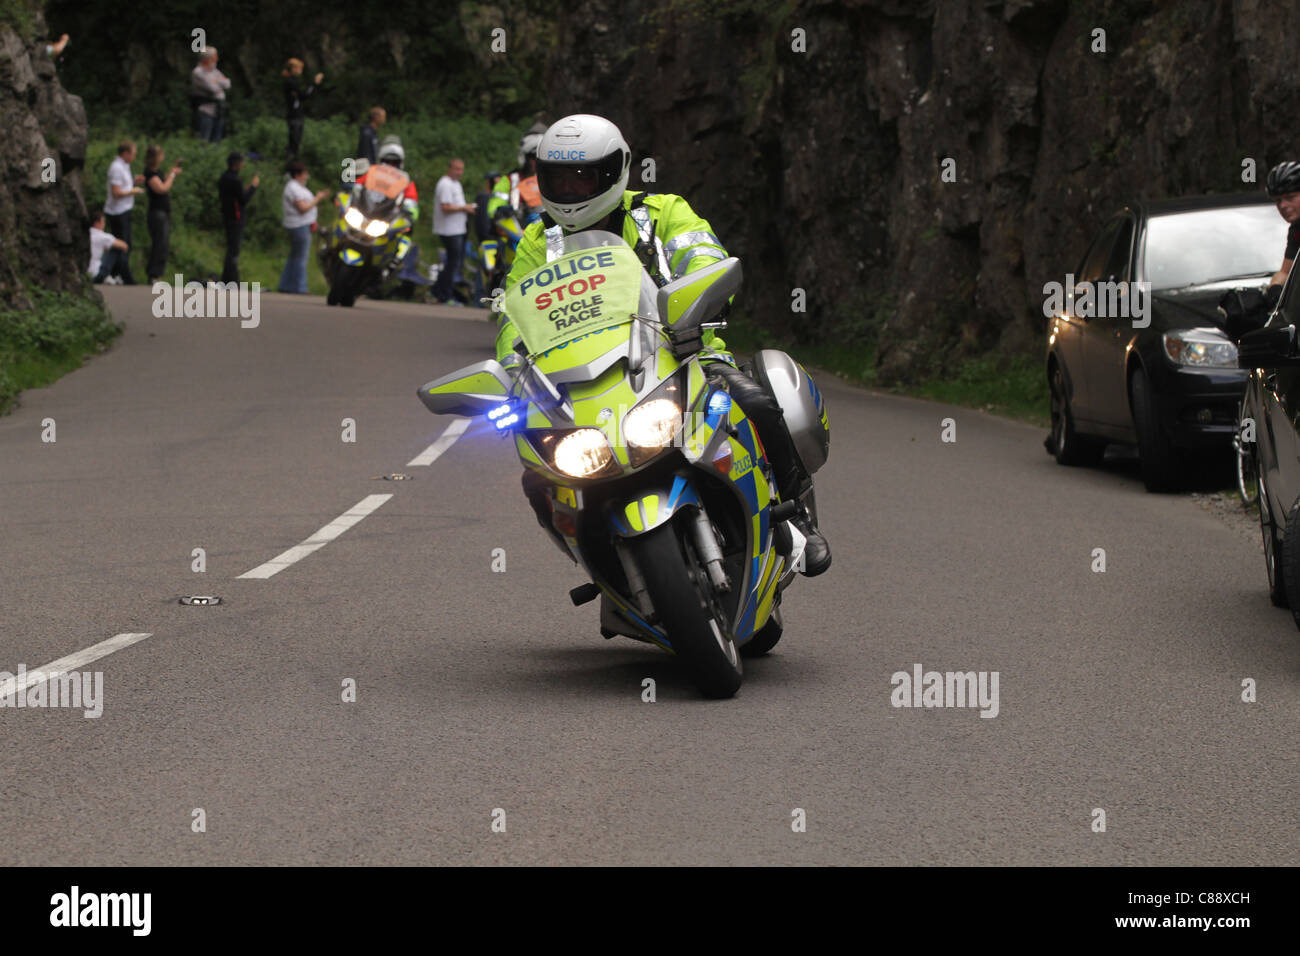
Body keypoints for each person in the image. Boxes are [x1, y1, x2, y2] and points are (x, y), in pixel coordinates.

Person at [499, 114, 831, 575]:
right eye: (560, 179)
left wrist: (703, 294)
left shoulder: (662, 212)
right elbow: (514, 314)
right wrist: (513, 366)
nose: (571, 191)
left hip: (684, 353)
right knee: (537, 468)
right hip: (587, 380)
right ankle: (601, 560)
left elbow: (705, 255)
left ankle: (797, 516)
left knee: (754, 400)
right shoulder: (540, 242)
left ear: (615, 172)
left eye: (584, 178)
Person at [279, 161, 330, 294]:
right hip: (298, 225)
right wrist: (318, 198)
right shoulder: (293, 188)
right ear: (297, 175)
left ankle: (286, 285)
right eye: (305, 174)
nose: (307, 176)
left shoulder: (297, 187)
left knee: (294, 256)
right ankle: (299, 287)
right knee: (301, 257)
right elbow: (302, 208)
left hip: (300, 225)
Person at [432, 158, 476, 305]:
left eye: (461, 169)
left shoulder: (455, 184)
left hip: (458, 228)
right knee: (453, 264)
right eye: (456, 169)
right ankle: (445, 295)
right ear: (449, 168)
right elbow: (445, 207)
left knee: (453, 263)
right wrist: (465, 208)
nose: (459, 172)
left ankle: (438, 291)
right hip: (449, 230)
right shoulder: (445, 184)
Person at [103, 141, 144, 284]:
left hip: (124, 209)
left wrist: (133, 182)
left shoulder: (124, 167)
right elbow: (116, 192)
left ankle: (116, 273)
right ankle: (121, 275)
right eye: (133, 153)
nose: (134, 156)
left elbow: (122, 185)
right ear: (125, 153)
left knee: (126, 243)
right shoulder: (116, 168)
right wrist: (133, 191)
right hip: (117, 211)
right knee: (122, 244)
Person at [142, 144, 181, 283]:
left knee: (163, 243)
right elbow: (162, 188)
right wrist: (172, 175)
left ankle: (157, 272)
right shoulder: (150, 174)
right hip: (157, 213)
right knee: (160, 243)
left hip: (163, 212)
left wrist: (171, 171)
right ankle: (153, 273)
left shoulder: (156, 172)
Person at [219, 151, 259, 282]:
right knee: (234, 250)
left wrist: (244, 189)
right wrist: (253, 187)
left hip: (227, 214)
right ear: (238, 164)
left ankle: (227, 278)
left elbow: (235, 195)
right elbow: (243, 199)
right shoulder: (235, 180)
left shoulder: (224, 177)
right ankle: (231, 280)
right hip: (236, 217)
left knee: (230, 248)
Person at [1266, 161, 1300, 296]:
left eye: (1290, 197)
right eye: (1278, 200)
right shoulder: (1296, 230)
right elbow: (1285, 272)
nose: (1283, 205)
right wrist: (1274, 290)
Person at [283, 58, 323, 160]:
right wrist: (314, 83)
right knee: (295, 141)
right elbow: (303, 96)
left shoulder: (292, 81)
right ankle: (291, 164)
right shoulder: (290, 82)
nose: (301, 70)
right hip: (294, 116)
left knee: (295, 141)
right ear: (293, 69)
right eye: (299, 68)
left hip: (296, 115)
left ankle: (292, 162)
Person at [191, 47, 231, 143]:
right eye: (214, 57)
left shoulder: (214, 71)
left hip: (218, 110)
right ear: (207, 59)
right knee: (204, 139)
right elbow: (212, 89)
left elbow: (228, 83)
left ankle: (215, 157)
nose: (216, 60)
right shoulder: (198, 72)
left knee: (217, 139)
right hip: (206, 110)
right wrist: (219, 82)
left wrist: (216, 82)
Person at [88, 209, 128, 284]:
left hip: (86, 273)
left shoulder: (86, 234)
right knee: (116, 250)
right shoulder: (102, 236)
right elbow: (124, 246)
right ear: (97, 223)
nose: (104, 224)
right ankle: (117, 275)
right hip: (97, 273)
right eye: (103, 222)